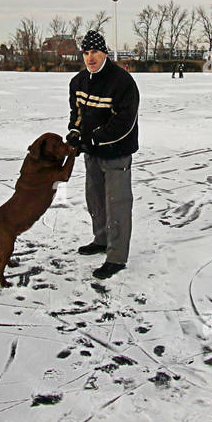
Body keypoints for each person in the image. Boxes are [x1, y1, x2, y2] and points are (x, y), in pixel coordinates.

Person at [65, 30, 141, 280]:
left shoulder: (122, 82)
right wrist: (76, 132)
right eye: (86, 53)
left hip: (116, 152)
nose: (90, 58)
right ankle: (101, 239)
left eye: (95, 52)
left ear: (104, 53)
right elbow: (76, 113)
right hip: (92, 153)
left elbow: (124, 122)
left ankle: (117, 256)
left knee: (116, 203)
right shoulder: (78, 82)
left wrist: (96, 137)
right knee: (95, 198)